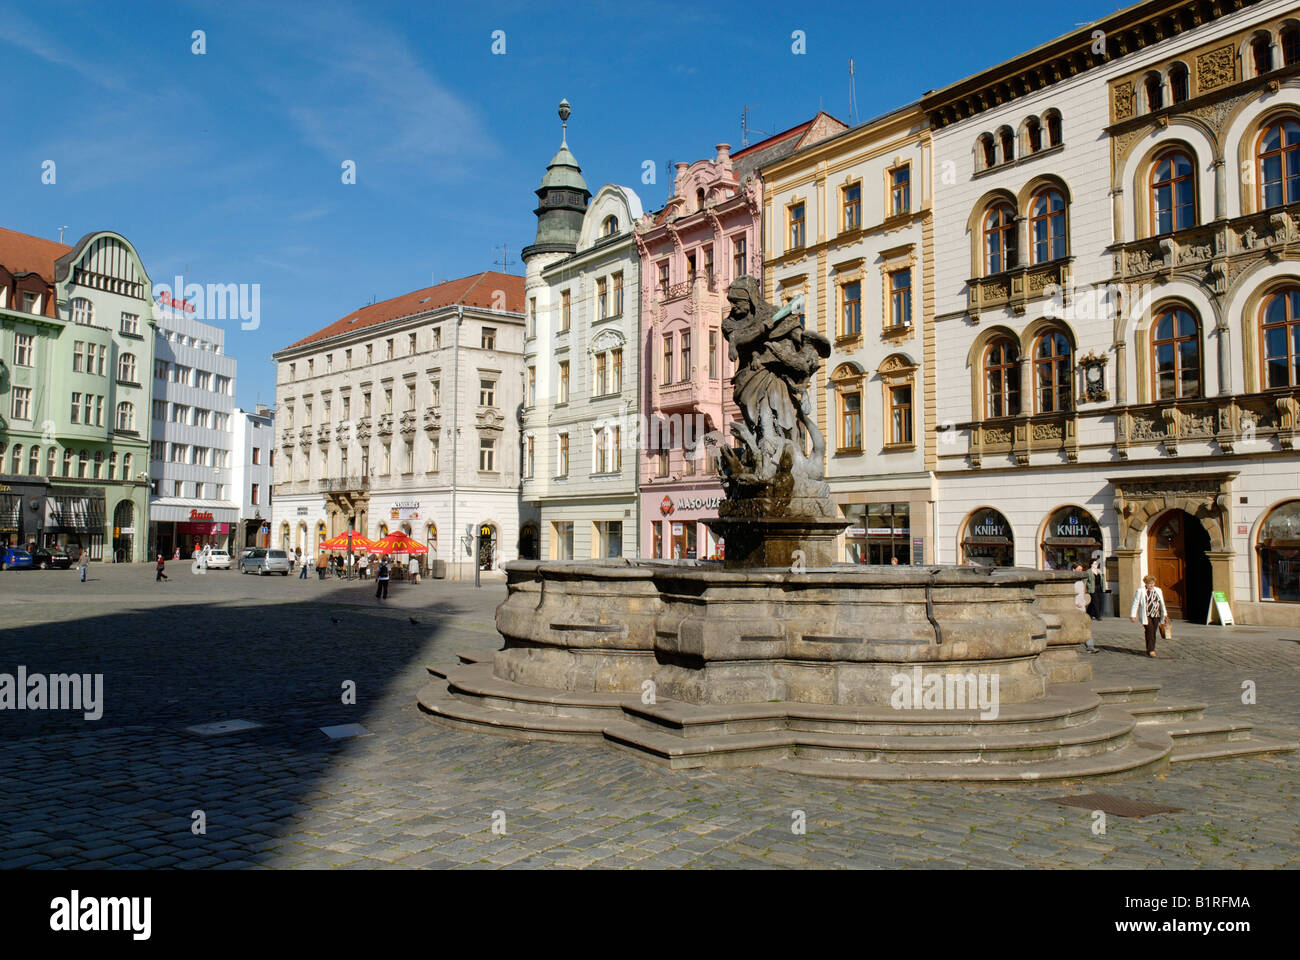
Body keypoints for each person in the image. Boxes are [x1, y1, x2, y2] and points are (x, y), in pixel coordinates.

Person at [1130, 574, 1169, 658]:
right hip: (1146, 615)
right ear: (1146, 583)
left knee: (1152, 632)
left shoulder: (1158, 590)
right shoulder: (1140, 591)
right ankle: (1151, 650)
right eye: (1149, 583)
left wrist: (1165, 614)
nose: (1151, 585)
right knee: (1150, 630)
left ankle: (1149, 649)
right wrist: (1133, 615)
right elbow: (1135, 603)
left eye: (1152, 583)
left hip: (1156, 614)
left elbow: (1162, 603)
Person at [1074, 564, 1098, 653]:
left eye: (1081, 569)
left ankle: (1090, 646)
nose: (1080, 571)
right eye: (1078, 569)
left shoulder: (1081, 582)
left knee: (1085, 627)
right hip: (1074, 609)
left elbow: (1083, 595)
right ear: (1073, 570)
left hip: (1081, 608)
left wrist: (1084, 603)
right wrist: (1076, 603)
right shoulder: (1071, 583)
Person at [1087, 555, 1107, 621]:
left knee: (1097, 602)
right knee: (1095, 601)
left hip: (1099, 587)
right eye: (1095, 563)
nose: (1096, 565)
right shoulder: (1089, 571)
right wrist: (1085, 588)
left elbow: (1103, 580)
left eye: (1097, 563)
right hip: (1092, 588)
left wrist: (1104, 588)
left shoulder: (1099, 571)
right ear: (1091, 564)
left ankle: (1090, 614)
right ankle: (1098, 616)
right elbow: (1085, 581)